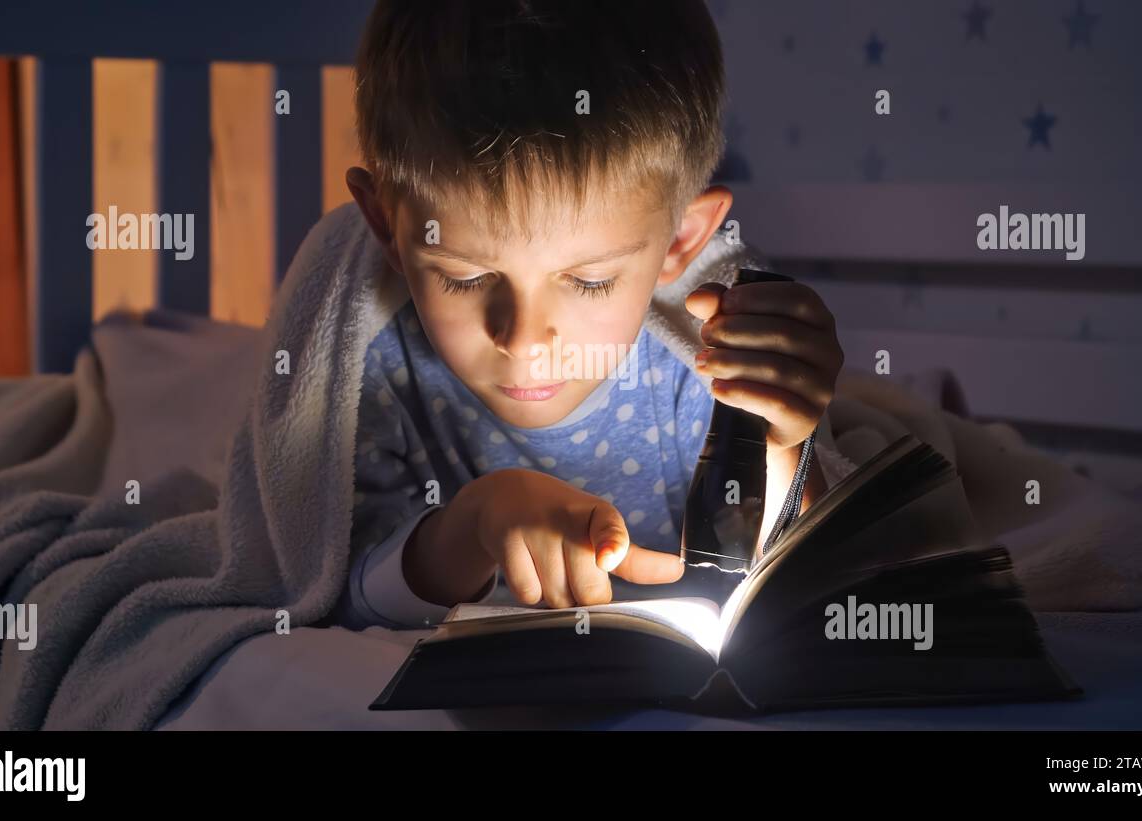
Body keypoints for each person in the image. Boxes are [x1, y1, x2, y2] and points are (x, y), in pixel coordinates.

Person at [328, 0, 845, 629]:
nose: (522, 341)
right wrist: (471, 525)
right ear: (385, 225)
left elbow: (807, 579)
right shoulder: (372, 371)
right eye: (464, 277)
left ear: (681, 242)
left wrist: (788, 444)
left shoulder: (706, 361)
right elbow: (333, 590)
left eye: (590, 280)